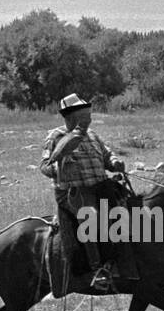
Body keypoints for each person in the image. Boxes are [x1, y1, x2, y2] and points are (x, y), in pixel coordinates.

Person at [38, 93, 135, 291]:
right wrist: (59, 170)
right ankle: (97, 270)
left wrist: (114, 162)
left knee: (131, 208)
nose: (87, 117)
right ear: (71, 116)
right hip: (73, 192)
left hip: (101, 187)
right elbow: (44, 166)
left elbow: (107, 154)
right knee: (91, 218)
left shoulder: (92, 135)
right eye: (83, 114)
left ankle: (128, 259)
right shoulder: (55, 136)